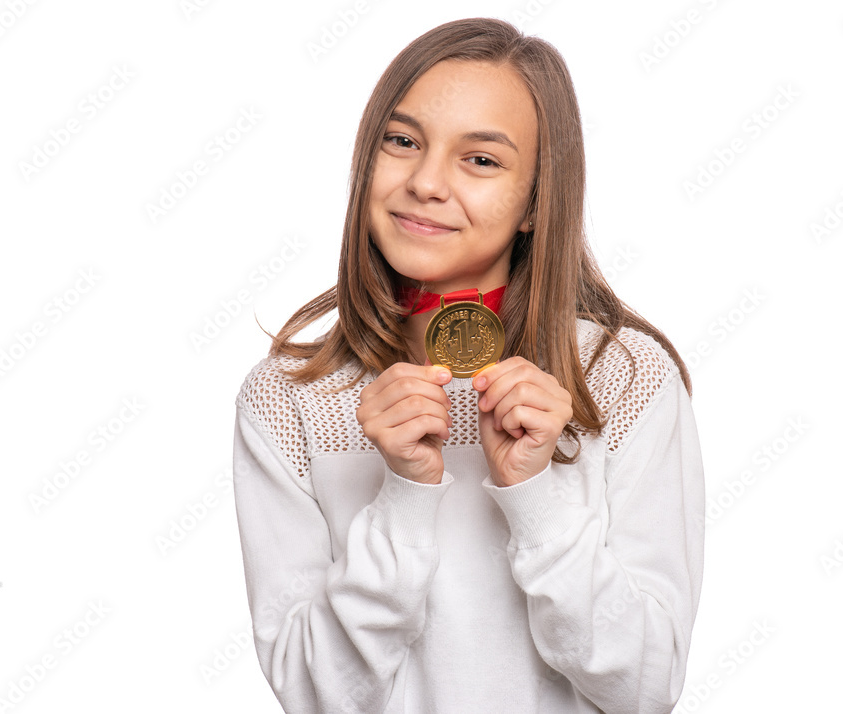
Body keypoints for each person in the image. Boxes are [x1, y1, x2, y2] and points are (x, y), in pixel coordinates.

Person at [232, 16, 705, 714]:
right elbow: (315, 695)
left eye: (481, 159)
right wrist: (402, 493)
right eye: (402, 142)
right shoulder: (288, 395)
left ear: (535, 203)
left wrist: (536, 495)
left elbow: (645, 687)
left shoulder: (624, 375)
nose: (425, 182)